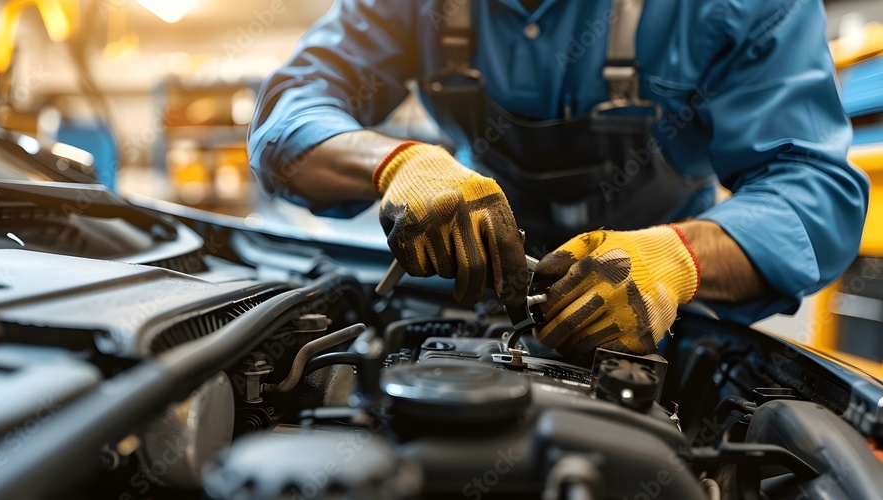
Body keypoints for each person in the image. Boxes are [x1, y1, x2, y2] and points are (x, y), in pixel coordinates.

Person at [247, 0, 869, 356]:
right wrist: (399, 164)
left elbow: (814, 192)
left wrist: (677, 258)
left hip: (661, 304)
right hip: (475, 283)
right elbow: (290, 114)